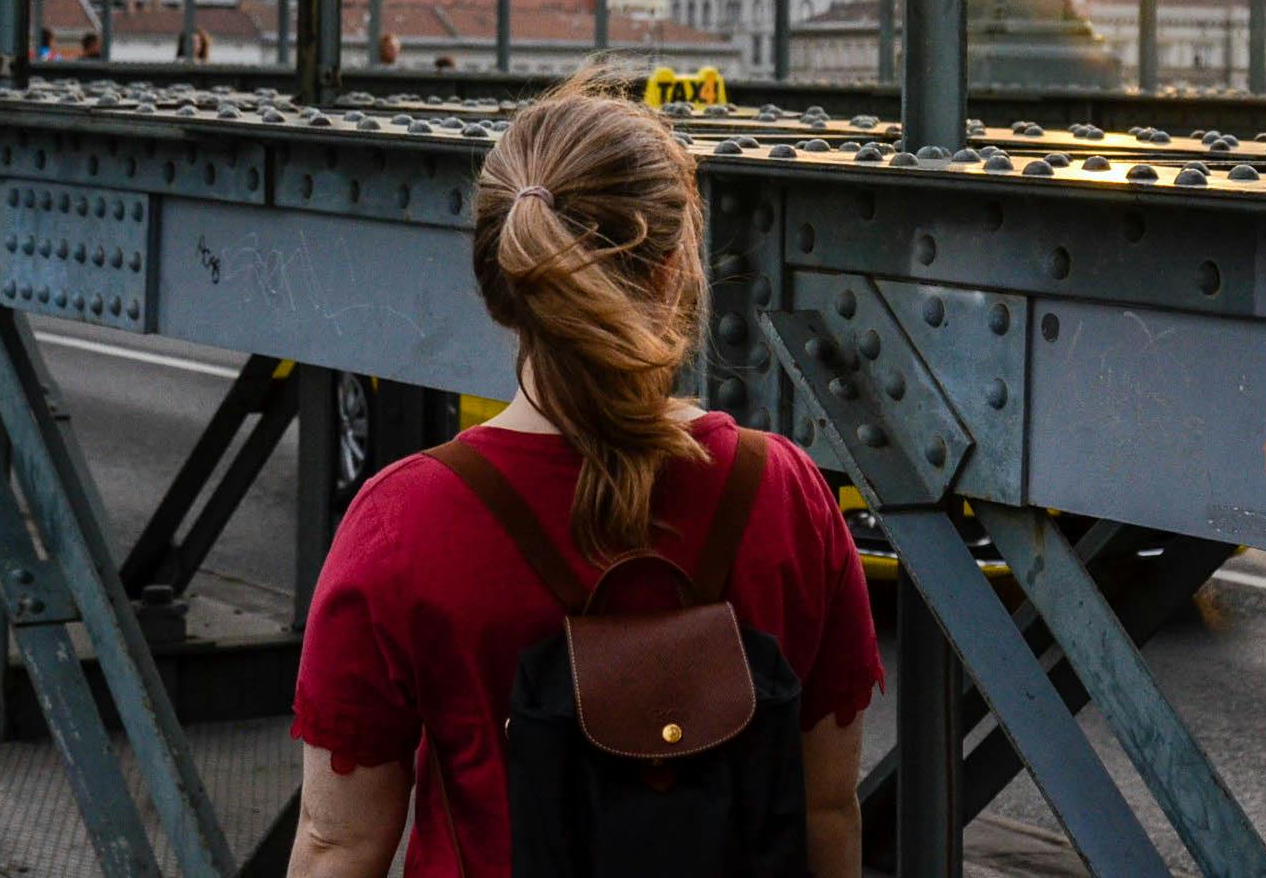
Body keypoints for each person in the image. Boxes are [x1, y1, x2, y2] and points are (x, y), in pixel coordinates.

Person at [288, 70, 879, 878]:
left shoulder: (404, 526)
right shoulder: (784, 493)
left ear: (502, 284)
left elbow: (338, 846)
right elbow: (827, 813)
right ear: (675, 271)